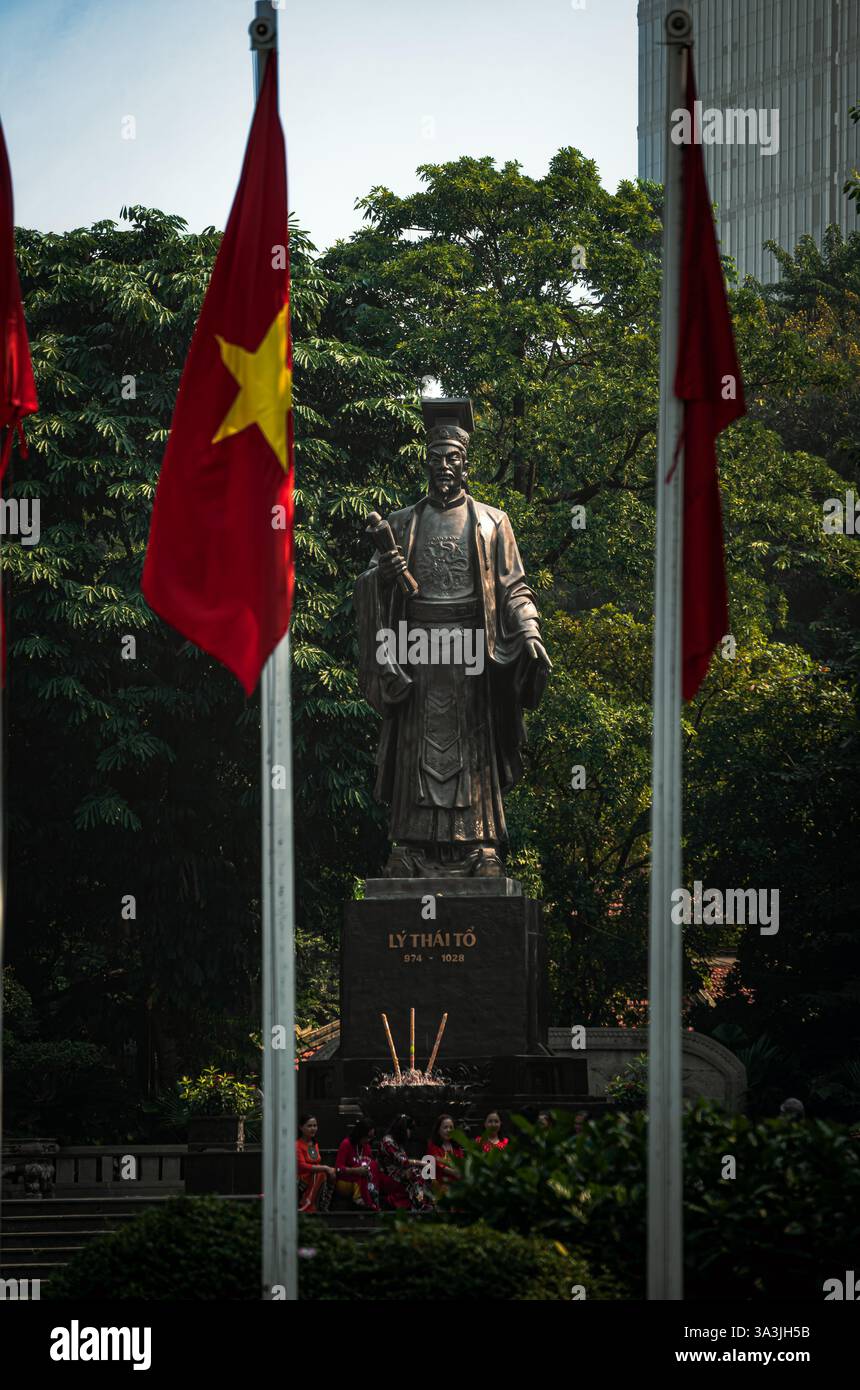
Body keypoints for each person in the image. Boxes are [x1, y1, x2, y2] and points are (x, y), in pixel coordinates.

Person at [377, 1114, 432, 1210]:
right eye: (409, 1129)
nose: (410, 1133)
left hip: (398, 1173)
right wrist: (421, 1163)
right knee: (415, 1173)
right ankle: (420, 1203)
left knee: (420, 1174)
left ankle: (423, 1201)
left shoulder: (397, 1142)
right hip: (387, 1175)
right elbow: (403, 1161)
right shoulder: (388, 1141)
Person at [334, 1117, 380, 1211]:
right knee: (361, 1176)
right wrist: (355, 1170)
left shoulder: (366, 1147)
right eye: (367, 1137)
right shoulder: (346, 1144)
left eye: (371, 1137)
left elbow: (370, 1165)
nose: (368, 1140)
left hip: (362, 1182)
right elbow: (338, 1169)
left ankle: (370, 1202)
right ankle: (361, 1200)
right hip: (345, 1181)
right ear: (360, 1134)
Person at [296, 1114, 335, 1212]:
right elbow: (301, 1166)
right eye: (309, 1126)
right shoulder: (297, 1145)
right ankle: (307, 1204)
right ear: (301, 1127)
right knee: (320, 1173)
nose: (313, 1128)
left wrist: (328, 1169)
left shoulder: (314, 1144)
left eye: (315, 1125)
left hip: (315, 1177)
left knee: (332, 1172)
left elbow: (317, 1162)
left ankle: (324, 1204)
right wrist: (324, 1168)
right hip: (300, 1180)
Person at [427, 1113, 464, 1190]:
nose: (449, 1130)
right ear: (438, 1130)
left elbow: (462, 1163)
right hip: (439, 1187)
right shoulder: (433, 1145)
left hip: (456, 1187)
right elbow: (438, 1164)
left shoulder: (456, 1147)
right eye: (445, 1127)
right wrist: (453, 1172)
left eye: (451, 1127)